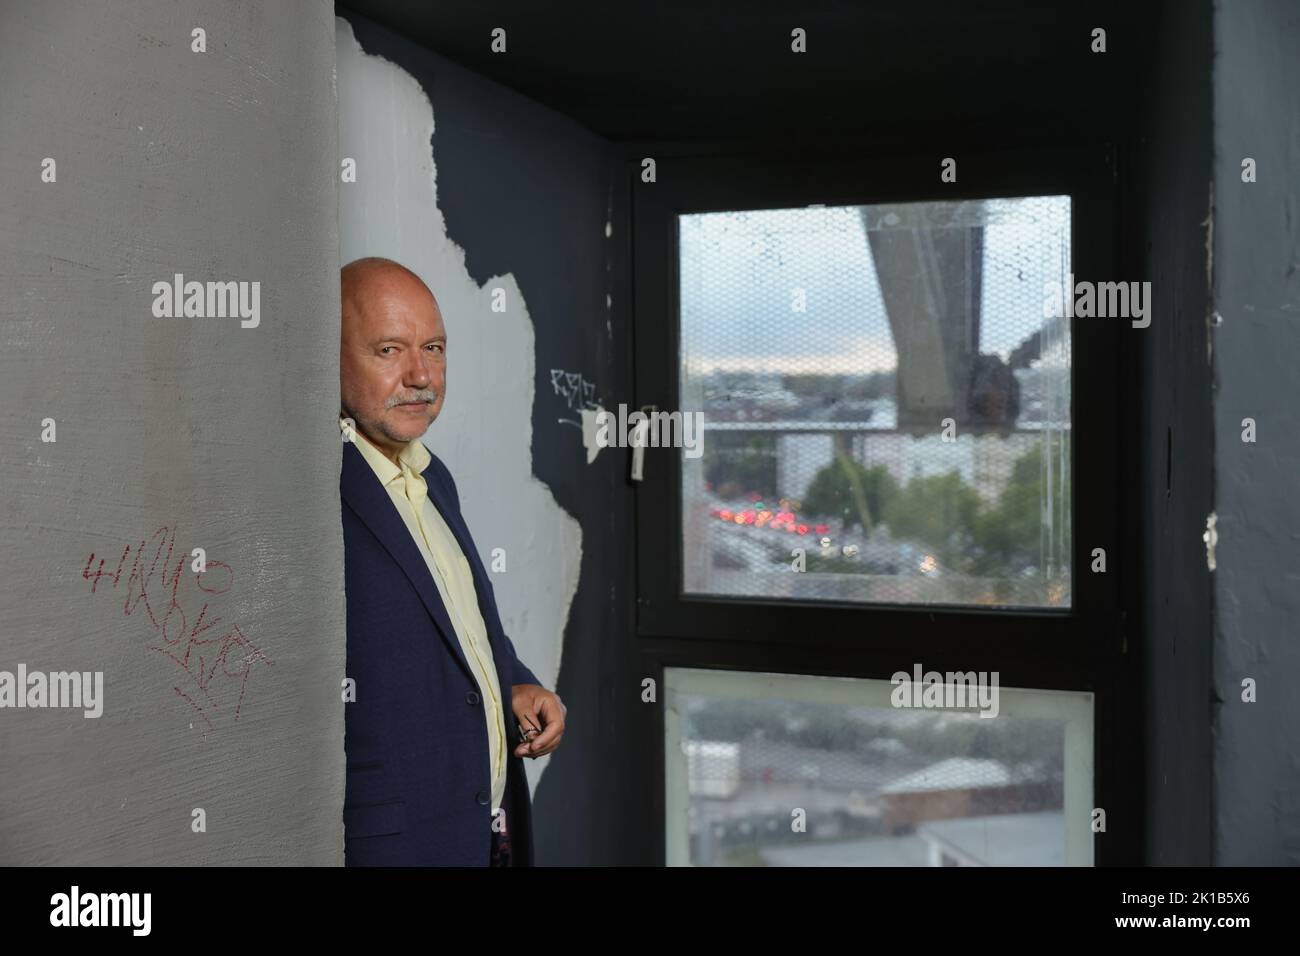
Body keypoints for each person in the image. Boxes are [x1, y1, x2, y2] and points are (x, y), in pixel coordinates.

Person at [338, 256, 566, 866]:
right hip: (393, 848)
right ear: (327, 356)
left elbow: (447, 618)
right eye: (389, 350)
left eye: (433, 347)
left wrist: (513, 677)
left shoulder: (431, 476)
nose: (421, 375)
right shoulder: (310, 491)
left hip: (485, 833)